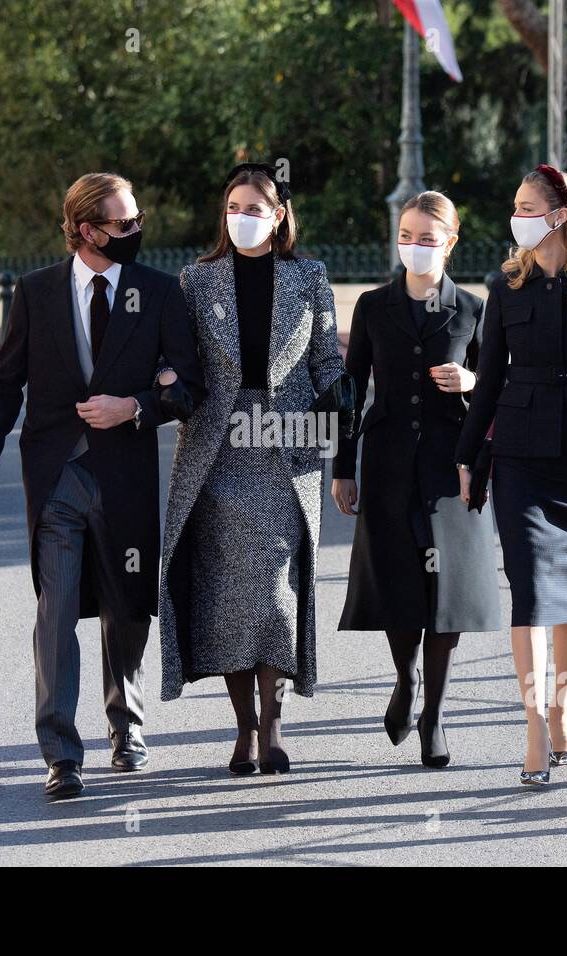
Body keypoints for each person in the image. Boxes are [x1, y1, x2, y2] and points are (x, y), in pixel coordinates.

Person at [0, 173, 205, 801]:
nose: (135, 233)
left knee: (127, 607)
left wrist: (134, 406)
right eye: (122, 224)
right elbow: (3, 383)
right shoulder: (36, 293)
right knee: (55, 612)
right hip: (55, 477)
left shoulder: (159, 293)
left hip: (124, 476)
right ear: (84, 230)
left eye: (137, 220)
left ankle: (125, 724)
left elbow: (187, 391)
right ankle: (60, 752)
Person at [159, 162, 344, 776]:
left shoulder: (309, 276)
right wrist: (165, 383)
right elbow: (184, 364)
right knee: (227, 600)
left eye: (255, 206)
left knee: (276, 597)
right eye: (233, 205)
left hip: (287, 448)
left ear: (279, 214)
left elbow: (325, 359)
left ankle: (274, 723)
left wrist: (342, 398)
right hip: (217, 454)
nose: (242, 215)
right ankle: (243, 728)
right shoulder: (197, 279)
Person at [455, 165, 567, 786]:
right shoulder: (506, 286)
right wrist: (469, 456)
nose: (517, 215)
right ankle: (534, 725)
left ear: (560, 214)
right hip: (521, 454)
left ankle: (562, 701)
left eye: (528, 206)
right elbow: (490, 379)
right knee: (529, 583)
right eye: (515, 204)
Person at [332, 191, 501, 769]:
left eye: (428, 237)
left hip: (450, 467)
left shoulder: (475, 310)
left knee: (446, 592)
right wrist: (341, 467)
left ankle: (435, 713)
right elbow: (350, 392)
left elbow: (497, 388)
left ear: (451, 242)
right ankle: (404, 679)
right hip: (384, 465)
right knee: (399, 583)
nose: (415, 246)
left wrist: (471, 381)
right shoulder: (374, 306)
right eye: (407, 234)